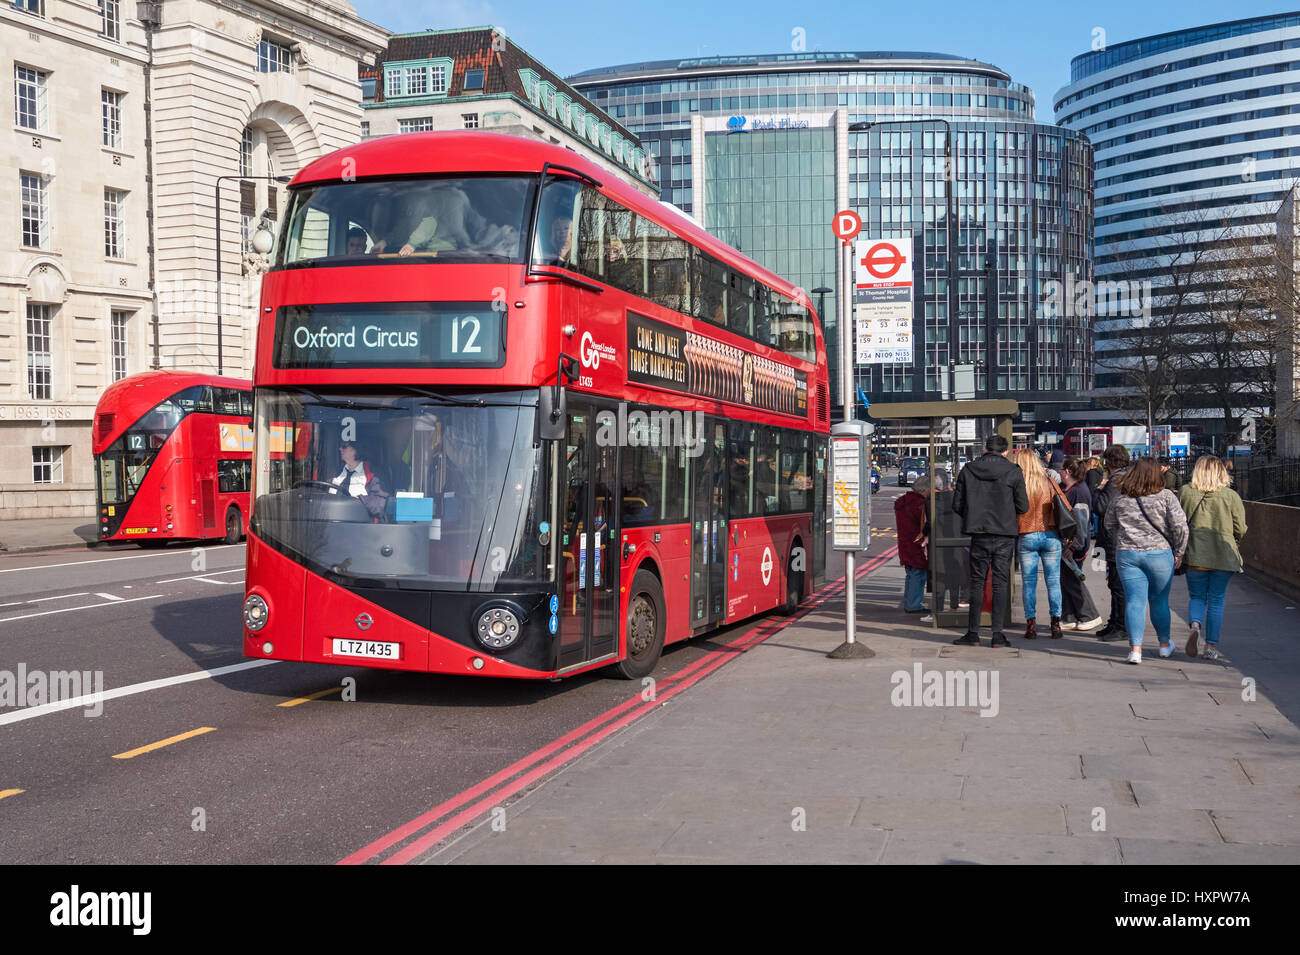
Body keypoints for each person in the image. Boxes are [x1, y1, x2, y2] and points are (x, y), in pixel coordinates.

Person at [1104, 458, 1188, 664]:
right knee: (1159, 600)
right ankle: (1164, 645)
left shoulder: (1121, 498)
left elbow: (1108, 524)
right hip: (1159, 553)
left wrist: (1125, 537)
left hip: (1128, 554)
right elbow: (1180, 526)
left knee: (1134, 601)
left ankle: (1135, 650)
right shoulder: (1167, 496)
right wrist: (1180, 551)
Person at [951, 434, 1029, 647]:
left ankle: (973, 633)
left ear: (985, 449)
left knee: (976, 583)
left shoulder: (968, 470)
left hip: (978, 534)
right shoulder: (1013, 472)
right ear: (1005, 451)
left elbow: (957, 505)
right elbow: (1023, 507)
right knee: (1000, 583)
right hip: (1004, 534)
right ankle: (997, 634)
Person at [1178, 455, 1248, 661]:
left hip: (1195, 554)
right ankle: (1210, 647)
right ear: (1221, 472)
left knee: (1197, 597)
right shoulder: (1231, 496)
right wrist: (1233, 540)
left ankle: (1195, 625)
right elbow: (1240, 528)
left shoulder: (1186, 492)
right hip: (1223, 557)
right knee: (1217, 600)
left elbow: (1179, 523)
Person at [1009, 448, 1069, 640]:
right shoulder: (1049, 482)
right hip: (1050, 535)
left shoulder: (1018, 484)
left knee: (1028, 583)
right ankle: (1055, 624)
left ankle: (1030, 624)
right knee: (1053, 582)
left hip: (1026, 535)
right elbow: (1066, 507)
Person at [1092, 444, 1131, 643]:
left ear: (1110, 461)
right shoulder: (1128, 477)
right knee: (1115, 585)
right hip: (1122, 538)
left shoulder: (1115, 481)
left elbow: (1101, 508)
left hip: (1115, 540)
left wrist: (1098, 490)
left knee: (1117, 585)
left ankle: (1120, 626)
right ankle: (1115, 622)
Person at [1059, 458, 1103, 631]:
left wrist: (1074, 546)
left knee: (1073, 580)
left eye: (1062, 469)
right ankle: (1069, 616)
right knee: (1066, 579)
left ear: (1068, 471)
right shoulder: (1071, 489)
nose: (1060, 472)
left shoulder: (1080, 492)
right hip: (1068, 543)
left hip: (1074, 545)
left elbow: (1082, 522)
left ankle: (1090, 615)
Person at [894, 474, 931, 615]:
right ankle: (914, 605)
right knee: (918, 574)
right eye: (929, 490)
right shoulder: (920, 504)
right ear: (923, 490)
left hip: (905, 542)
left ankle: (910, 602)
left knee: (911, 574)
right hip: (917, 542)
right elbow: (925, 524)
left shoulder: (903, 502)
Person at [331, 440, 389, 521]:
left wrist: (357, 500)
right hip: (330, 525)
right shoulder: (335, 471)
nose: (340, 449)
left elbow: (378, 505)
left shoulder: (374, 473)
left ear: (356, 450)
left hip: (361, 528)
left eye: (344, 446)